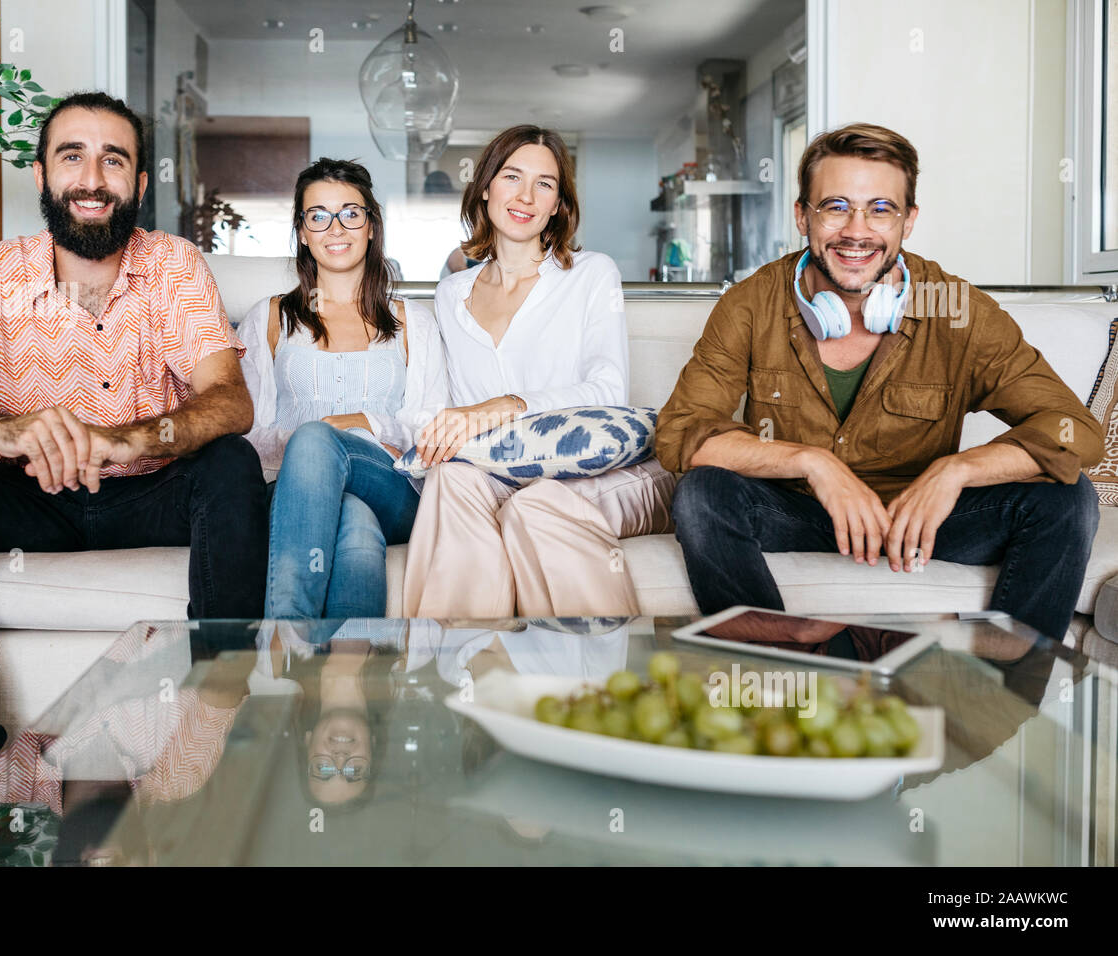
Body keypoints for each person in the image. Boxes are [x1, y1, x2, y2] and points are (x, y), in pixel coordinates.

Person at [0, 91, 268, 862]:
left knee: (230, 462)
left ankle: (210, 734)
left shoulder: (174, 266)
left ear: (139, 185)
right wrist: (0, 429)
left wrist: (129, 439)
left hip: (145, 489)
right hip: (26, 498)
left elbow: (230, 400)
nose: (93, 176)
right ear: (42, 175)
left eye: (113, 159)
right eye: (72, 156)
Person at [657, 122, 1103, 641]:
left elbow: (1075, 429)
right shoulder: (751, 304)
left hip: (923, 522)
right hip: (798, 513)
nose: (856, 230)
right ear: (803, 215)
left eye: (880, 209)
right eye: (836, 206)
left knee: (1068, 500)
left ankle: (1001, 694)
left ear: (908, 221)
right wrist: (813, 463)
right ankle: (777, 674)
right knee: (704, 493)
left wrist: (955, 471)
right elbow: (678, 433)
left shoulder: (957, 310)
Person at [403, 125, 676, 618]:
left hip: (599, 472)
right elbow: (444, 408)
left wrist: (507, 405)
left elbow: (609, 391)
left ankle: (592, 685)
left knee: (535, 506)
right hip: (500, 471)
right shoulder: (450, 295)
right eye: (512, 177)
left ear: (558, 204)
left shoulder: (591, 273)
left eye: (545, 184)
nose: (526, 196)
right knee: (448, 481)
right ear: (486, 187)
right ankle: (463, 671)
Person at [239, 158, 447, 618]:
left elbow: (433, 425)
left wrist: (359, 424)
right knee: (352, 518)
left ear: (371, 225)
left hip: (393, 487)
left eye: (351, 213)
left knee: (319, 441)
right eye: (318, 216)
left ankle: (284, 640)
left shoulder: (414, 321)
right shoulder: (270, 318)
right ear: (302, 231)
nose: (336, 228)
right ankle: (348, 679)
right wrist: (304, 448)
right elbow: (246, 428)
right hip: (295, 490)